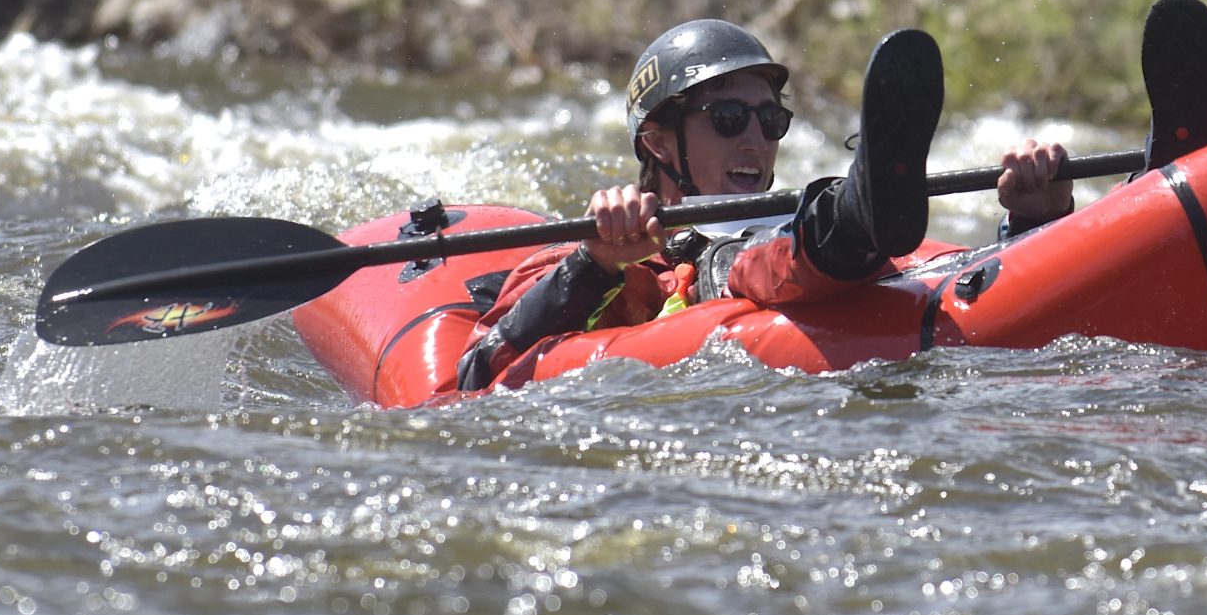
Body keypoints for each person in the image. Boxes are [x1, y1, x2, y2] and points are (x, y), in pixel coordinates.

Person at [455, 20, 1073, 391]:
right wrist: (594, 264)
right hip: (748, 271)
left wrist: (1032, 222)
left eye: (770, 119)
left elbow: (943, 275)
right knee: (736, 259)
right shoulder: (619, 256)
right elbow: (479, 368)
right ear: (659, 142)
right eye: (728, 118)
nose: (755, 139)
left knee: (812, 242)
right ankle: (847, 227)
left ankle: (857, 223)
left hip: (833, 245)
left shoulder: (788, 217)